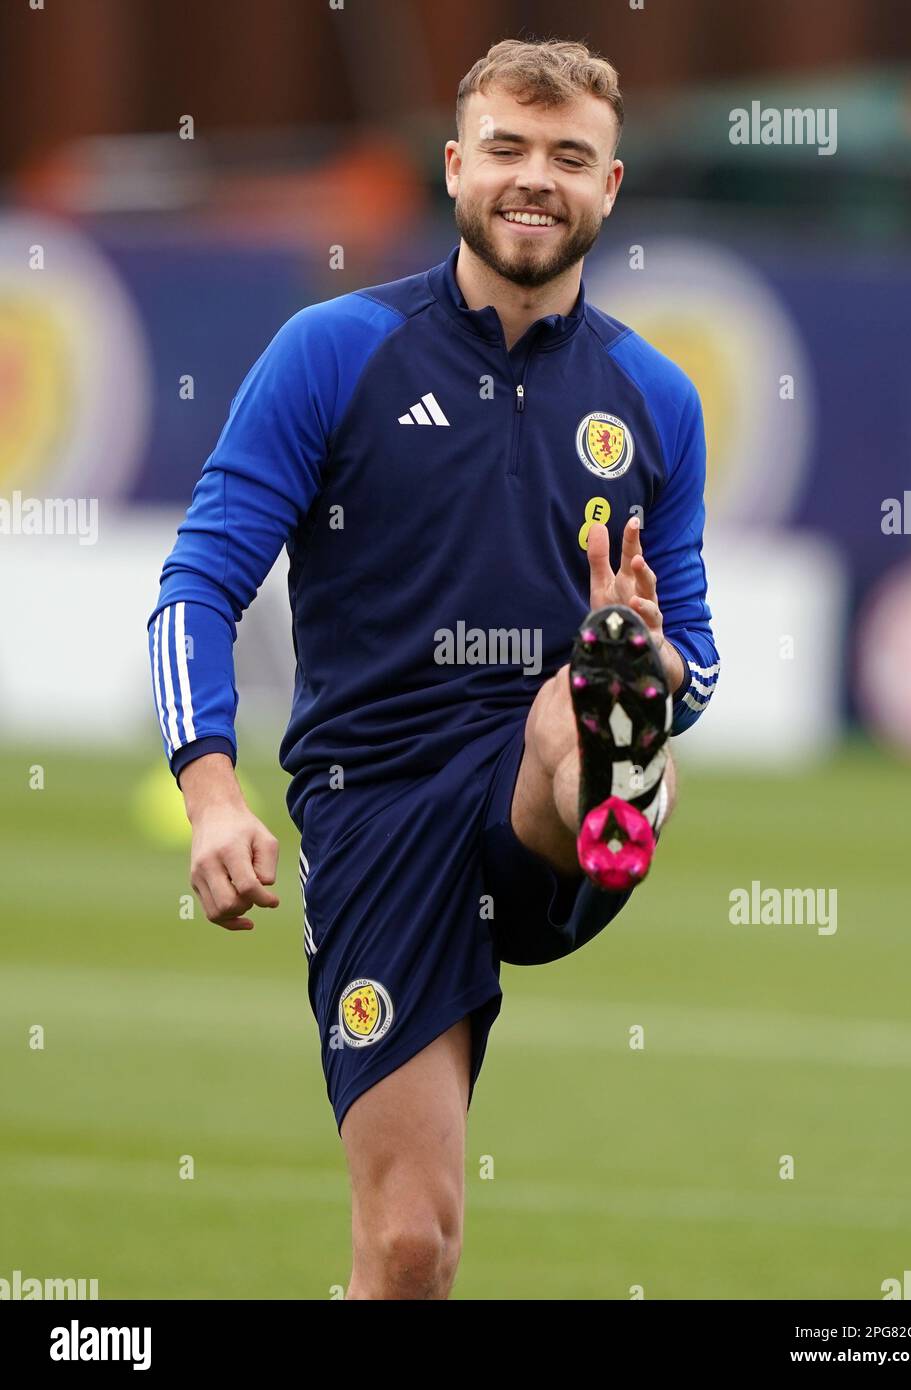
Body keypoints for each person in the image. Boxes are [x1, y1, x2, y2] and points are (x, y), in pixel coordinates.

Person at [147, 36, 719, 1300]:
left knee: (593, 682)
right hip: (377, 805)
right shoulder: (331, 352)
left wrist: (659, 663)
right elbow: (195, 589)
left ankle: (614, 775)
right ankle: (616, 755)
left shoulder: (656, 397)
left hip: (543, 793)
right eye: (509, 149)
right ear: (456, 166)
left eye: (571, 156)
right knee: (410, 1249)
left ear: (610, 187)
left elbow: (706, 656)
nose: (535, 179)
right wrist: (211, 794)